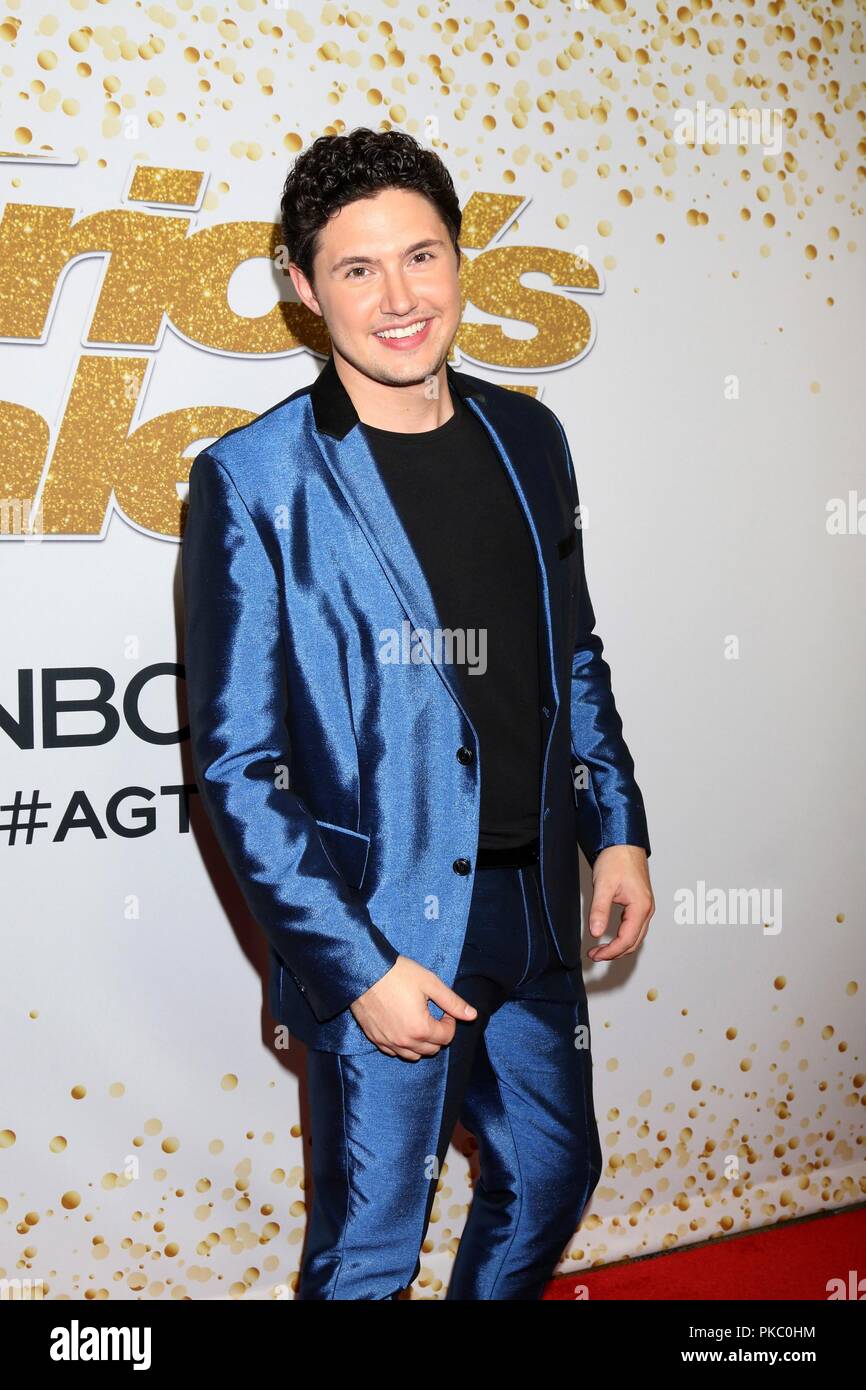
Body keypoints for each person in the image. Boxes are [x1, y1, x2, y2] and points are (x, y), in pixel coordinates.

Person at [181, 127, 654, 1300]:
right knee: (368, 1254)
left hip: (533, 903)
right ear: (303, 287)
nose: (399, 299)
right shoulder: (253, 480)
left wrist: (620, 822)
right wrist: (354, 968)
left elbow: (572, 655)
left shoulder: (527, 436)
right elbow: (239, 764)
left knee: (550, 1177)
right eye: (355, 270)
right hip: (382, 926)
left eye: (421, 257)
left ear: (457, 261)